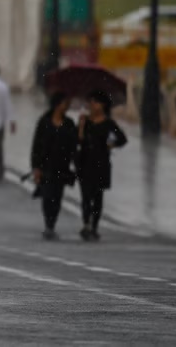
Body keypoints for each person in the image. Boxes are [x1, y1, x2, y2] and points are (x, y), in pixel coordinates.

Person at [76, 90, 128, 241]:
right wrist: (80, 127)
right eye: (90, 102)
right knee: (85, 197)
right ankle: (86, 224)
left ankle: (94, 226)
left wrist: (110, 145)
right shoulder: (85, 121)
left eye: (95, 102)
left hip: (101, 164)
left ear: (102, 105)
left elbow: (122, 139)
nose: (92, 105)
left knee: (97, 197)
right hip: (84, 163)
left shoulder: (109, 123)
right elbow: (78, 141)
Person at [30, 92, 78, 240]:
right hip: (46, 166)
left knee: (57, 196)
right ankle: (48, 224)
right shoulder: (44, 122)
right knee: (47, 196)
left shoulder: (69, 123)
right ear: (58, 104)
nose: (68, 105)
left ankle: (52, 224)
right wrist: (35, 168)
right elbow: (36, 146)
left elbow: (74, 145)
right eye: (65, 103)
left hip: (62, 166)